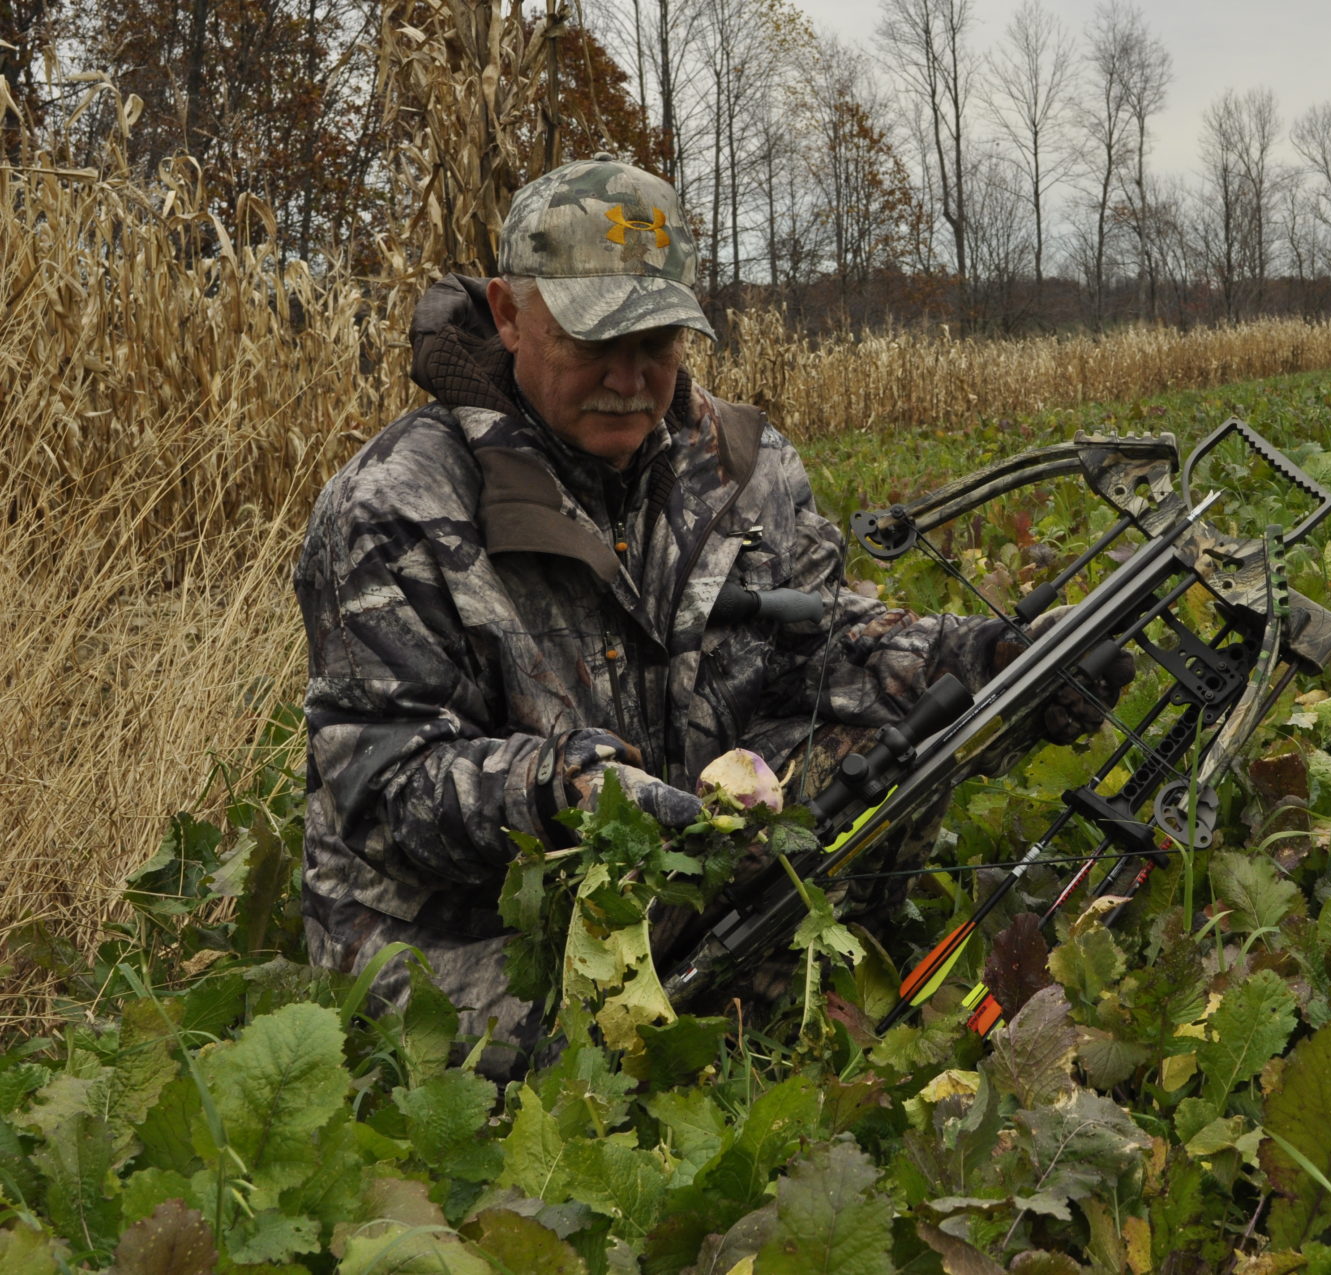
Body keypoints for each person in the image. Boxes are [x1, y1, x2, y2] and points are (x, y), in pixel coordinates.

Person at [295, 156, 1124, 1078]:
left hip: (686, 862)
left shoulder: (742, 458)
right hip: (478, 918)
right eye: (594, 341)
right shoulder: (398, 501)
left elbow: (826, 642)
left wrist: (984, 656)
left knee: (903, 749)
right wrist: (566, 790)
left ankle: (781, 998)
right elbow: (381, 784)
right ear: (506, 312)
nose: (629, 377)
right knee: (540, 1069)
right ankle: (730, 1018)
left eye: (657, 341)